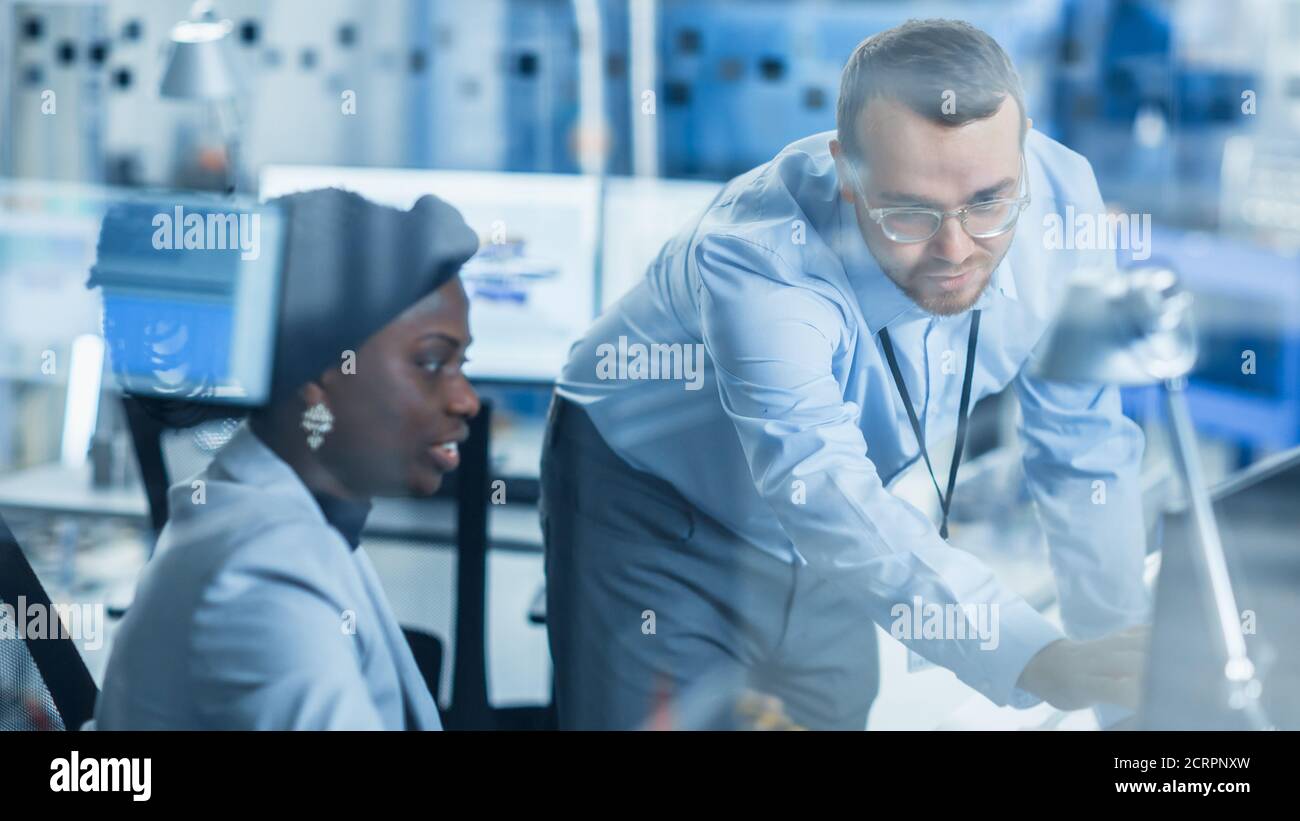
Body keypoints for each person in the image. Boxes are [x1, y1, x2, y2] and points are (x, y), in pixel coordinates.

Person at [542, 18, 1150, 730]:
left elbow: (1083, 454)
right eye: (910, 210)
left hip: (842, 516)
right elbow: (818, 481)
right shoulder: (761, 256)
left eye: (988, 202)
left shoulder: (1062, 201)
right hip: (649, 499)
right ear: (846, 169)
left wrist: (1126, 689)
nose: (957, 249)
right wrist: (1032, 655)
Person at [93, 188, 481, 729]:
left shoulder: (286, 516)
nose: (467, 401)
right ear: (323, 373)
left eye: (463, 363)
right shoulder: (262, 574)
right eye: (432, 362)